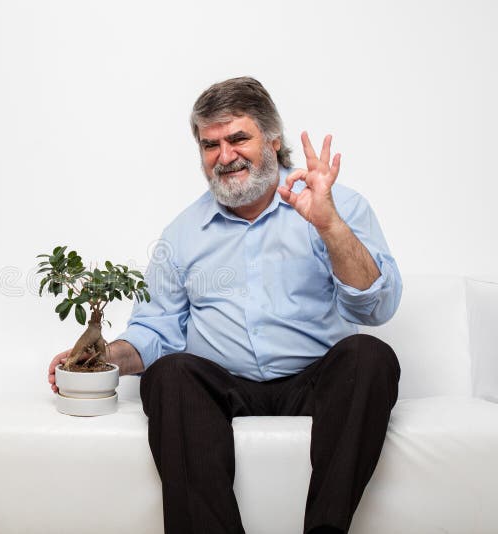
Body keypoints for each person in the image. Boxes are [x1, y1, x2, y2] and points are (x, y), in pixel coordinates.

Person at [48, 76, 402, 534]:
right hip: (224, 388)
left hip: (317, 380)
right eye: (210, 144)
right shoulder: (181, 235)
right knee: (169, 374)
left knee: (371, 358)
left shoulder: (335, 207)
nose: (225, 155)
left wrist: (329, 227)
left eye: (238, 138)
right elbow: (155, 333)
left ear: (273, 140)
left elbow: (377, 308)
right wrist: (98, 357)